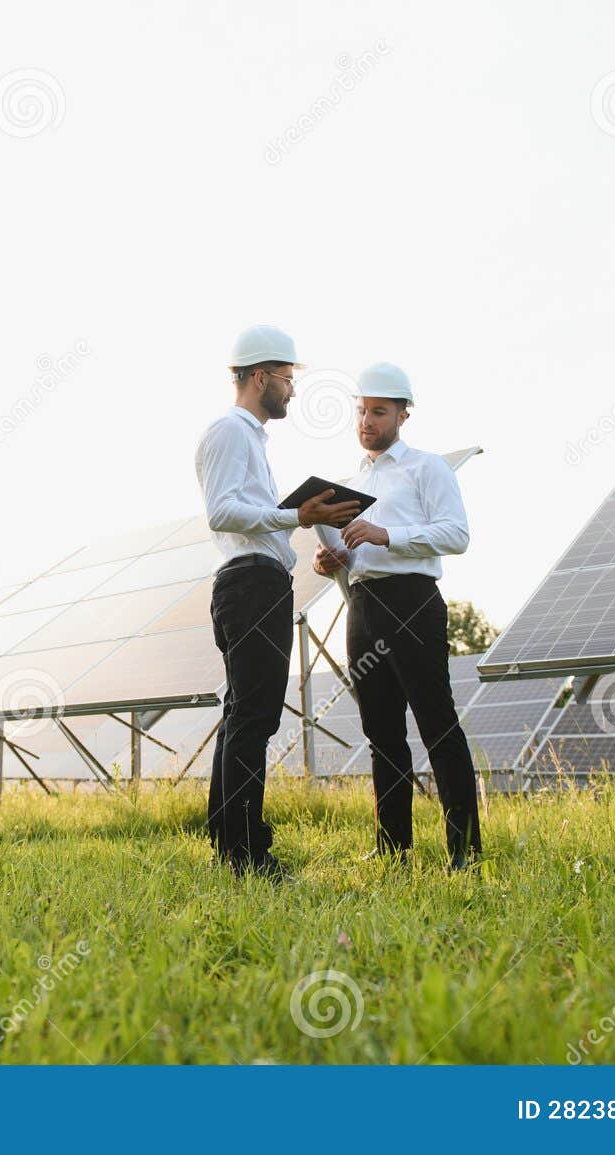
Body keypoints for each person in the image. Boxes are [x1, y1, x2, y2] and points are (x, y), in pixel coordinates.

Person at [196, 324, 361, 878]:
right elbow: (221, 512)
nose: (293, 390)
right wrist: (297, 515)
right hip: (250, 586)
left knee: (242, 714)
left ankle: (228, 842)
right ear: (262, 377)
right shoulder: (230, 431)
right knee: (255, 718)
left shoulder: (249, 439)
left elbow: (249, 515)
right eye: (288, 379)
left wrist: (301, 521)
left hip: (255, 584)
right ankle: (246, 853)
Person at [312, 362, 479, 869]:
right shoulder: (350, 485)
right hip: (362, 607)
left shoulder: (428, 468)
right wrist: (332, 561)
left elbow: (457, 535)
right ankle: (393, 851)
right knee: (380, 732)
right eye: (362, 411)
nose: (367, 421)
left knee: (437, 725)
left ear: (403, 415)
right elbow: (354, 553)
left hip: (412, 602)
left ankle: (465, 853)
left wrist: (389, 535)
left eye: (379, 412)